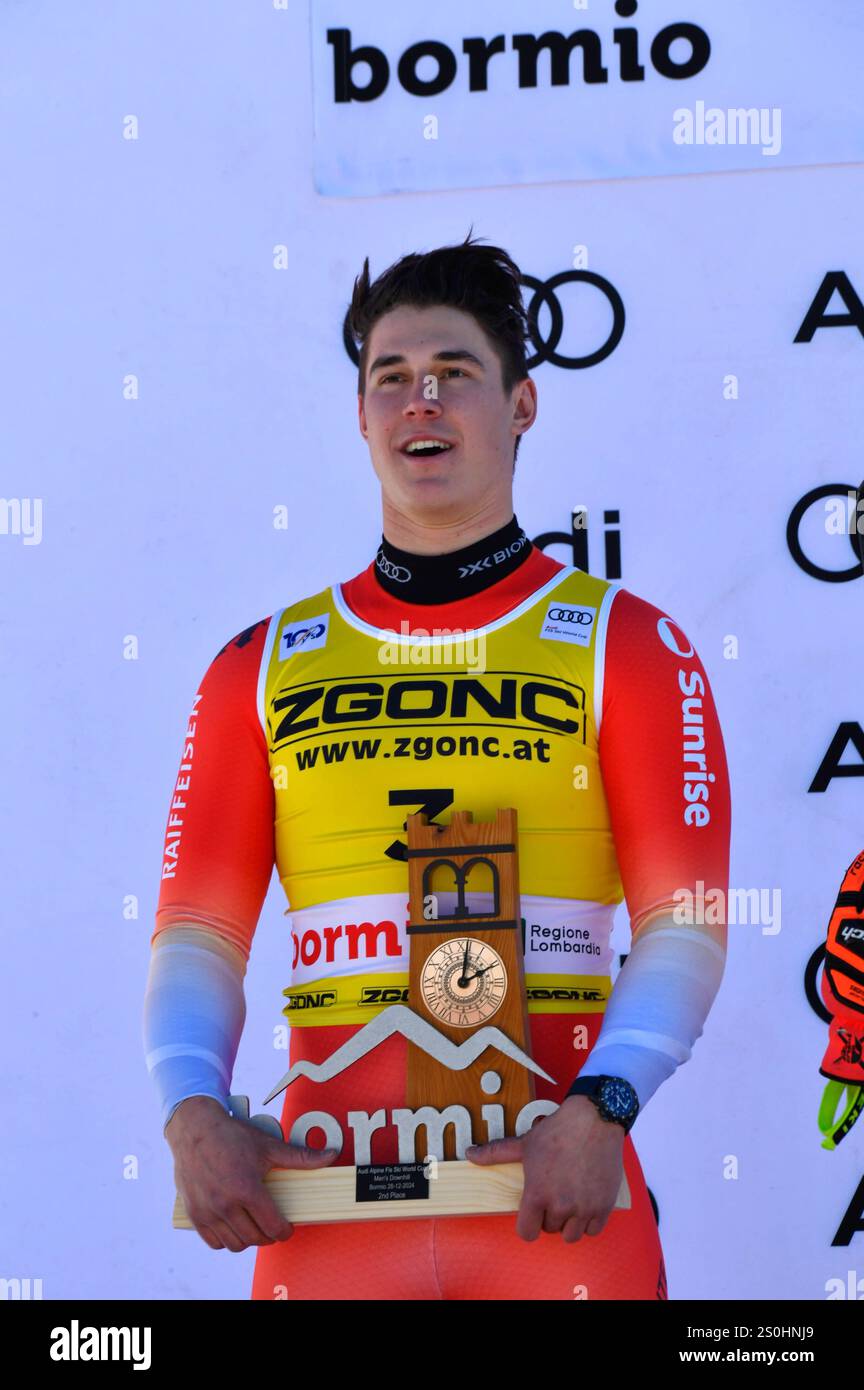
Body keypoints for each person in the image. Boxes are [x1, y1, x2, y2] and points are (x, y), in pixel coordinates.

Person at [144, 231, 731, 1300]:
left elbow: (685, 919)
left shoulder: (630, 644)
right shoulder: (257, 666)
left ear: (522, 406)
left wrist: (605, 1106)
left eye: (455, 374)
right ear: (361, 416)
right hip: (323, 1203)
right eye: (392, 378)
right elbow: (197, 930)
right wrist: (192, 1106)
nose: (422, 401)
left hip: (550, 1200)